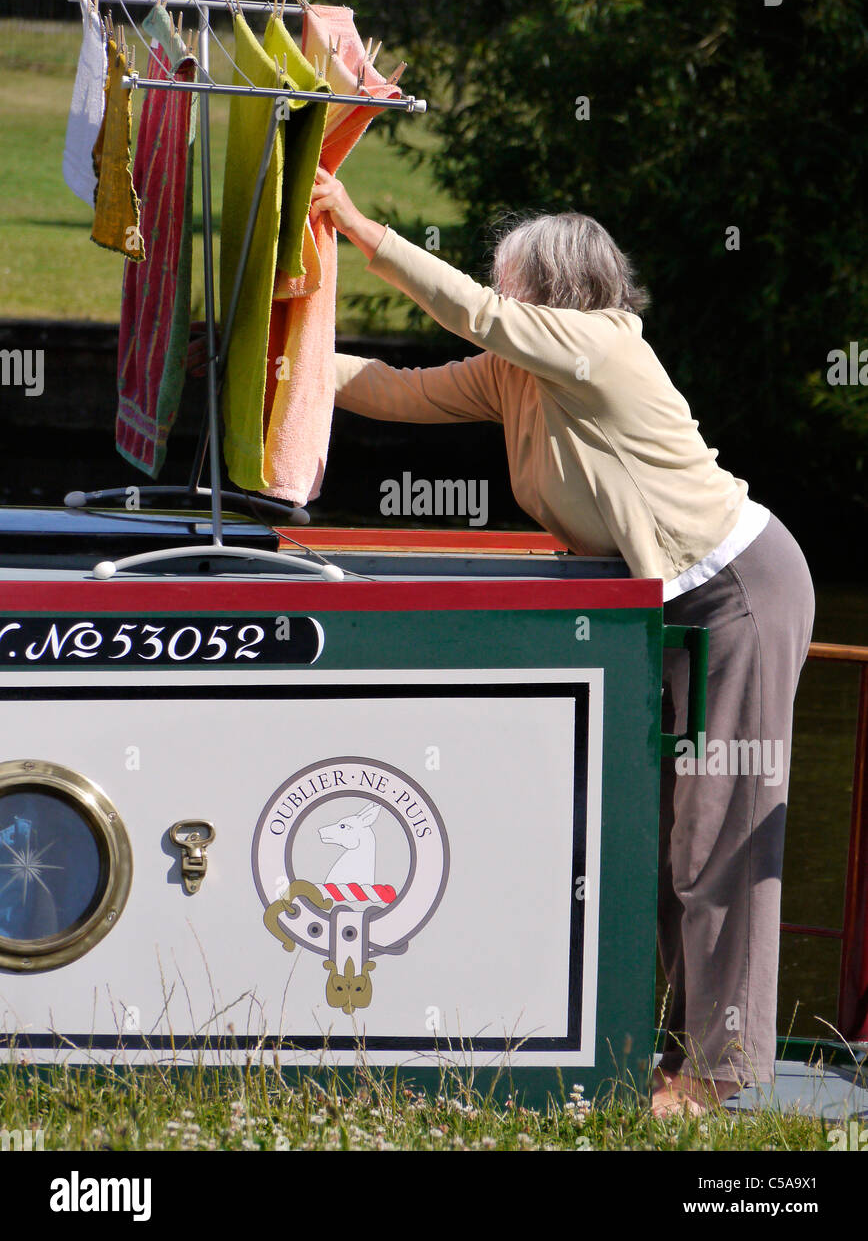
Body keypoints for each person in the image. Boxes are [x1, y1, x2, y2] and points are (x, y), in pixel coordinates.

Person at [304, 165, 817, 1115]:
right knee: (654, 834)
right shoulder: (519, 373)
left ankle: (719, 1077)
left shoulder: (598, 348)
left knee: (716, 840)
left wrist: (362, 229)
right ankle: (663, 1050)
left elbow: (471, 314)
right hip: (664, 604)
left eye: (513, 282)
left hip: (738, 593)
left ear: (556, 292)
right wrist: (294, 368)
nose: (501, 296)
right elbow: (397, 391)